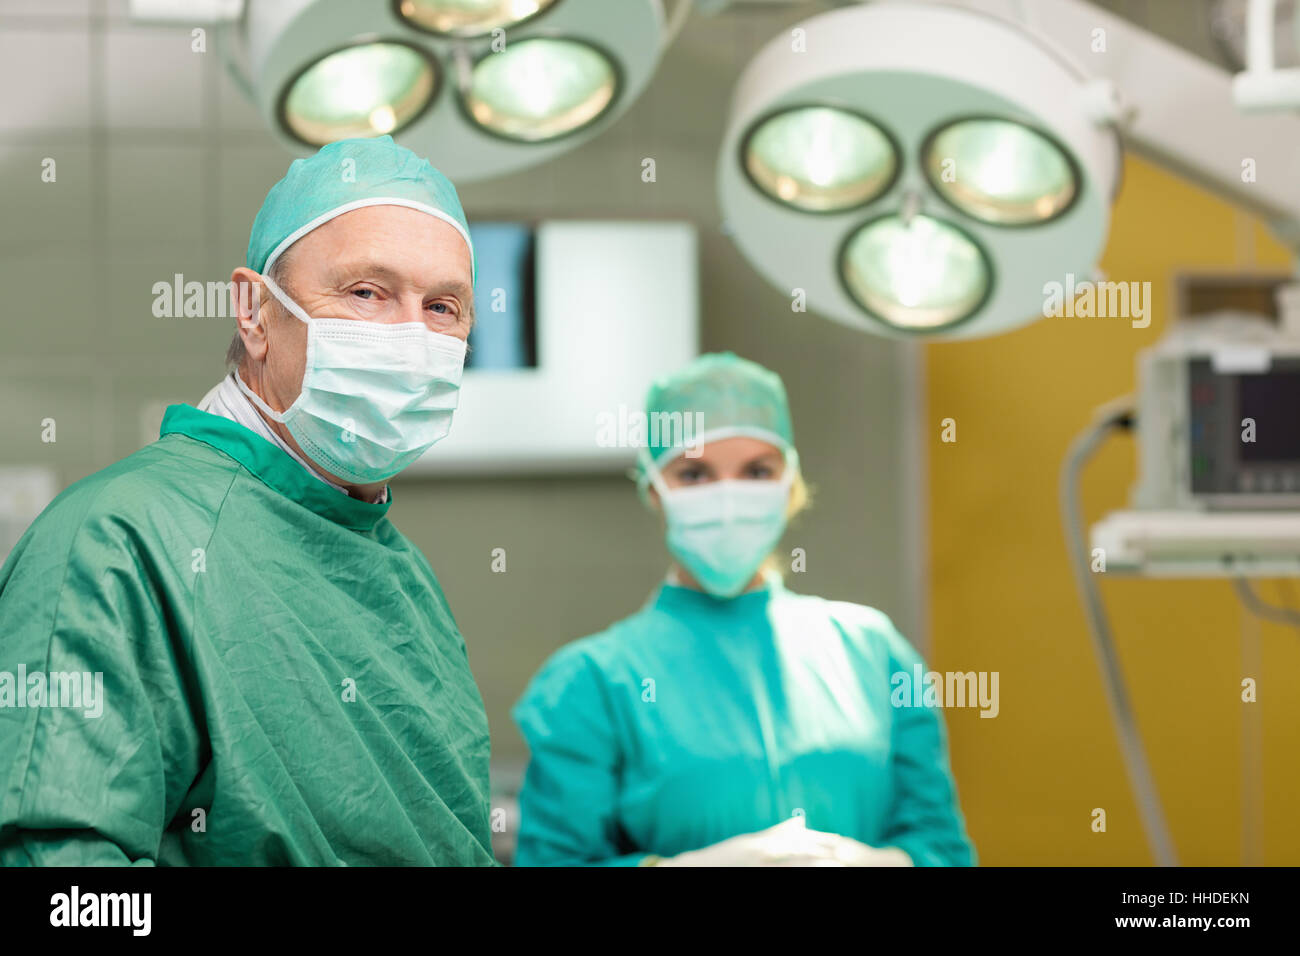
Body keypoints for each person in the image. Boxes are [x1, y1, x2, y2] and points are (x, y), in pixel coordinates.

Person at [0, 136, 496, 865]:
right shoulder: (118, 542)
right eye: (366, 293)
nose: (412, 338)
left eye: (444, 307)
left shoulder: (406, 579)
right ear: (255, 310)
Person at [512, 352, 975, 866]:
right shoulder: (593, 681)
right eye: (694, 474)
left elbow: (944, 849)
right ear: (654, 491)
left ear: (791, 485)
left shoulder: (874, 651)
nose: (727, 495)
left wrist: (881, 863)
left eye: (757, 470)